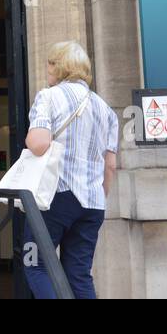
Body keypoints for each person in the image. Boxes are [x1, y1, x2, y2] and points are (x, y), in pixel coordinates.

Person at [21, 40, 118, 299]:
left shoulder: (48, 96)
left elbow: (39, 143)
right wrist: (98, 197)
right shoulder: (106, 109)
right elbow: (111, 165)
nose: (47, 70)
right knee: (79, 272)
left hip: (57, 196)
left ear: (58, 67)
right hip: (93, 203)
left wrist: (29, 139)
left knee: (35, 263)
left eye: (49, 64)